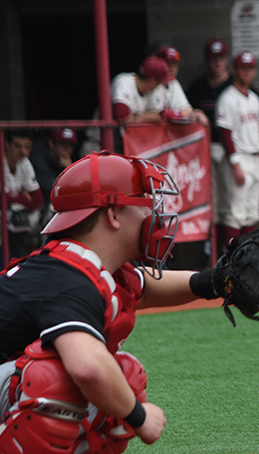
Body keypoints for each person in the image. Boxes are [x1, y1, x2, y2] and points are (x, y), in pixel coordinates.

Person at [0, 151, 229, 453]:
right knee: (58, 379)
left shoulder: (80, 264)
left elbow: (145, 286)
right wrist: (140, 416)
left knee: (122, 377)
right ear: (114, 214)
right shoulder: (68, 277)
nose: (154, 214)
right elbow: (88, 368)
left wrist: (216, 282)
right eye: (144, 204)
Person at [215, 51, 259, 247]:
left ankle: (246, 256)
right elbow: (225, 133)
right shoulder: (227, 98)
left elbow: (258, 132)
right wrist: (235, 164)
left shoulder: (254, 98)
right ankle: (232, 260)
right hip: (238, 157)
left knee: (251, 211)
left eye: (250, 68)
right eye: (242, 68)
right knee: (235, 212)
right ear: (234, 70)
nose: (246, 72)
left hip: (255, 157)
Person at [185, 39, 234, 264]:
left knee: (228, 200)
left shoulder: (235, 86)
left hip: (228, 150)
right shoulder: (197, 88)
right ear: (207, 60)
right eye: (213, 58)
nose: (217, 62)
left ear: (226, 59)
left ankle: (227, 249)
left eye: (221, 57)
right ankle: (209, 249)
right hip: (202, 150)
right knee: (206, 199)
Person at [110, 56, 198, 125]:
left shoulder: (149, 91)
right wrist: (147, 116)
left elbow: (160, 116)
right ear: (152, 81)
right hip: (102, 142)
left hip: (125, 143)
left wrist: (139, 117)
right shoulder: (123, 82)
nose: (159, 88)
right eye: (159, 83)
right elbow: (121, 115)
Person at [3, 131, 44, 259]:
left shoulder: (24, 162)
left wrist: (12, 199)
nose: (23, 151)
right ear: (7, 144)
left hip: (12, 215)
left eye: (27, 147)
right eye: (18, 146)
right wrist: (23, 198)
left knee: (31, 217)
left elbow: (37, 200)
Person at [28, 127, 78, 227]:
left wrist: (69, 169)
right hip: (36, 208)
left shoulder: (68, 161)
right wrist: (68, 172)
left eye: (70, 145)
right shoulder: (38, 156)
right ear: (51, 143)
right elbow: (48, 189)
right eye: (63, 144)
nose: (67, 149)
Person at [156, 45, 210, 127]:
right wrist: (180, 114)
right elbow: (157, 114)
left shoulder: (174, 83)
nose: (171, 68)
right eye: (167, 63)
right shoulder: (152, 84)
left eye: (174, 64)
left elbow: (187, 110)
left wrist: (195, 113)